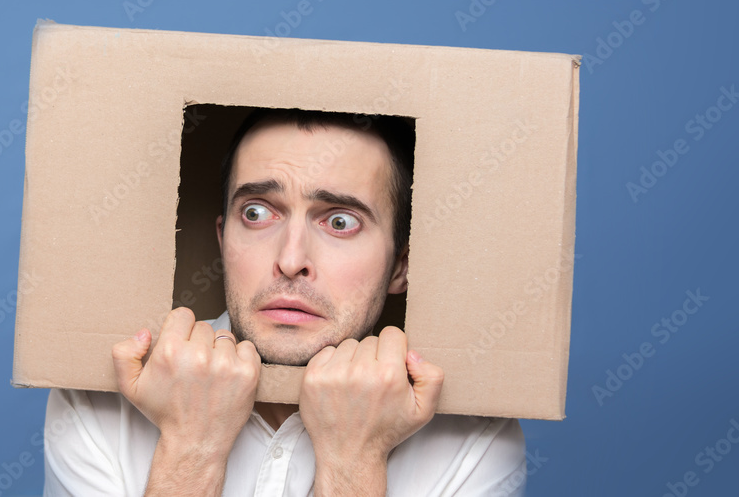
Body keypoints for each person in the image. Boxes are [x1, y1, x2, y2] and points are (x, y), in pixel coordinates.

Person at [43, 109, 527, 496]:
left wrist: (352, 464)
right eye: (256, 213)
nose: (291, 260)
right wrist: (192, 449)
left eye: (340, 222)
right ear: (222, 239)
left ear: (401, 266)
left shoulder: (473, 439)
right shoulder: (99, 404)